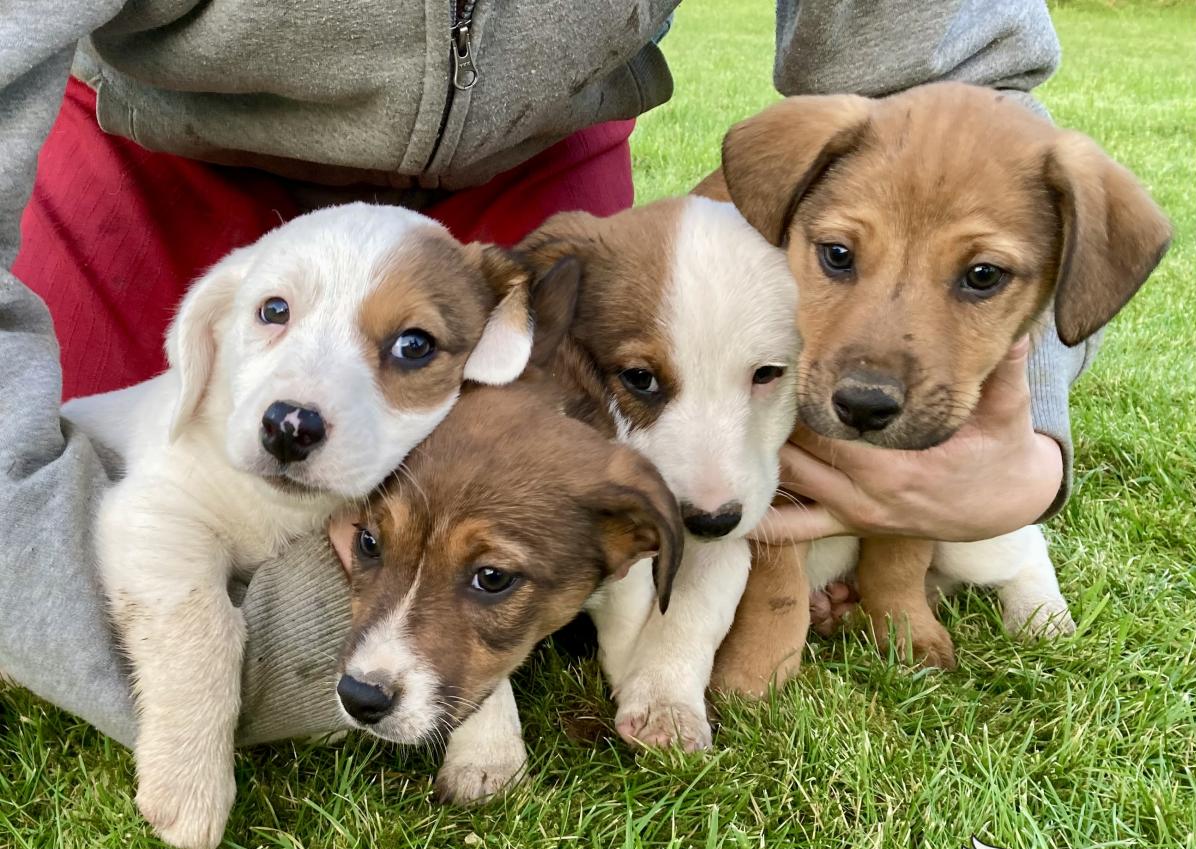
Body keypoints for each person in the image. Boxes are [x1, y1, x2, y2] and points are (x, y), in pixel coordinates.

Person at [0, 1, 1088, 747]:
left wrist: (1019, 436)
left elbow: (957, 104)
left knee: (533, 513)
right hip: (160, 161)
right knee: (160, 497)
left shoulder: (584, 273)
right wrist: (244, 642)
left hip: (527, 198)